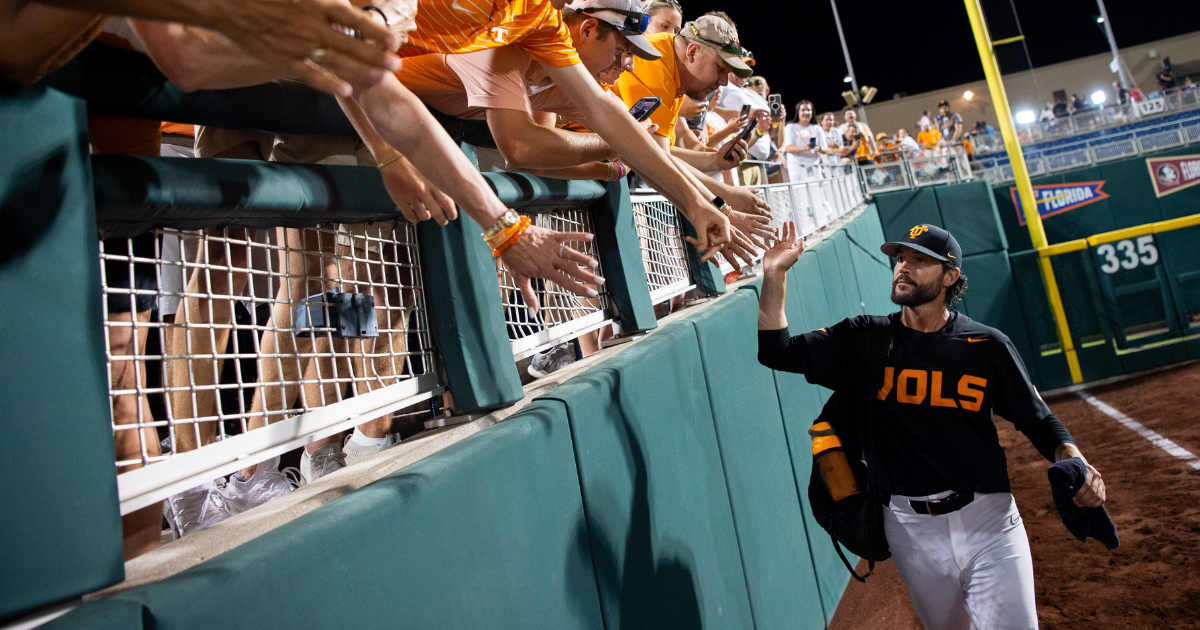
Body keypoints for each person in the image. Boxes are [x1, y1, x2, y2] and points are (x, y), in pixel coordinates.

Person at [756, 221, 1108, 630]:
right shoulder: (864, 338)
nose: (903, 267)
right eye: (900, 258)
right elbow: (777, 352)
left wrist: (1074, 458)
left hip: (989, 519)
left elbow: (1039, 420)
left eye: (920, 260)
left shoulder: (986, 346)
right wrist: (774, 274)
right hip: (908, 528)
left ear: (950, 276)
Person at [781, 99, 821, 182]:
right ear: (798, 112)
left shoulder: (817, 128)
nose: (806, 112)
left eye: (808, 110)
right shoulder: (790, 127)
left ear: (812, 112)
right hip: (797, 171)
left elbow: (826, 148)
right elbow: (788, 148)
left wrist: (819, 148)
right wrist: (805, 148)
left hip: (815, 169)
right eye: (803, 110)